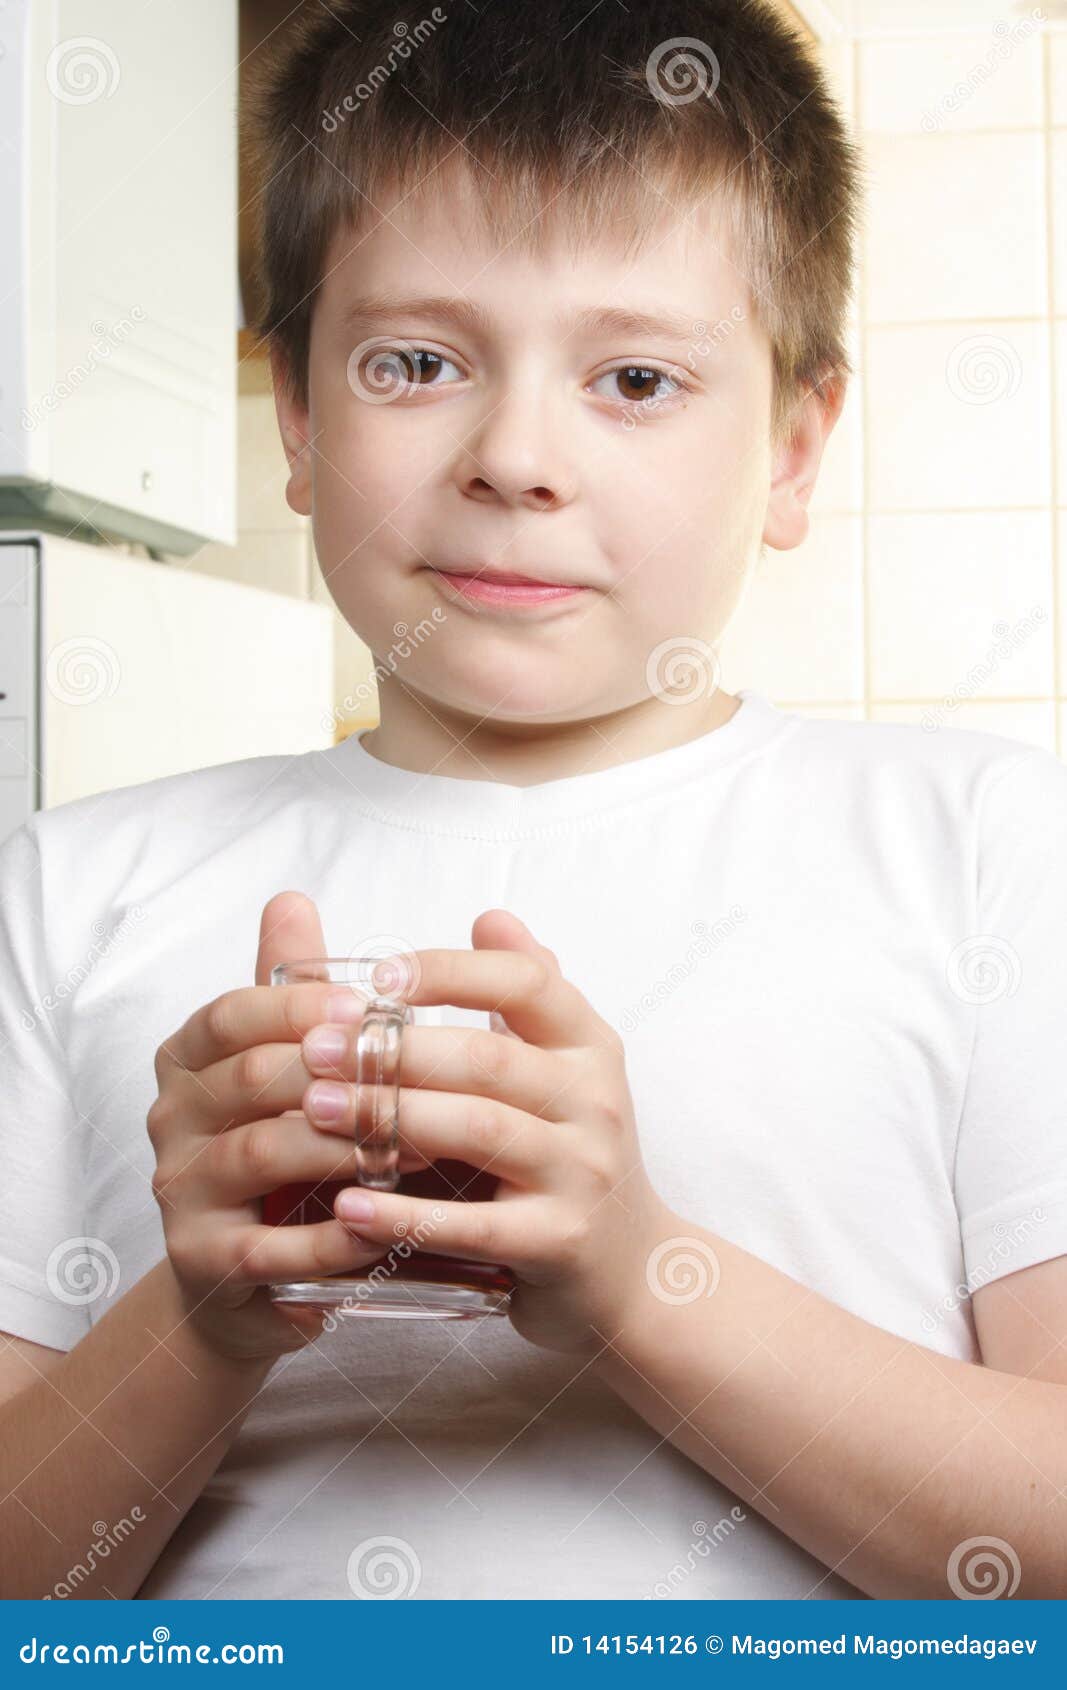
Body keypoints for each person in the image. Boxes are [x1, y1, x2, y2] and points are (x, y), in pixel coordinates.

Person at [1, 0, 1065, 1602]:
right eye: (415, 361)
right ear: (296, 410)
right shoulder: (69, 885)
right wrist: (203, 1315)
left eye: (635, 377)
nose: (516, 455)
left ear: (792, 444)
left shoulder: (988, 846)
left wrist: (643, 1279)